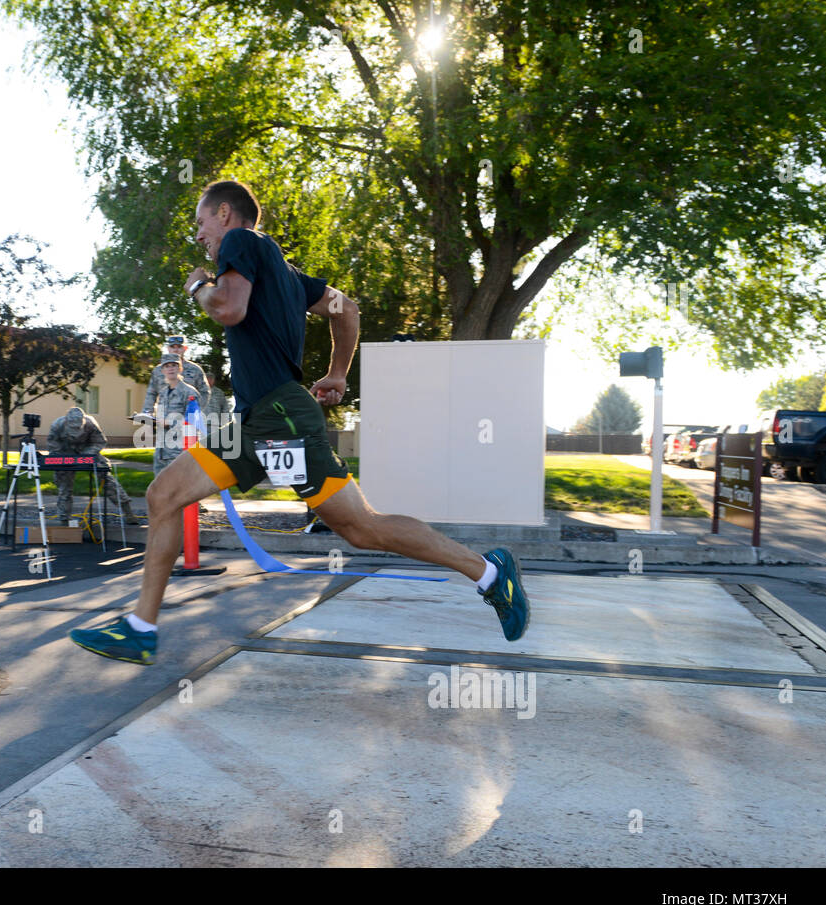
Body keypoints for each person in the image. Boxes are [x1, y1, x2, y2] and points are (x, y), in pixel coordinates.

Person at [71, 179, 530, 664]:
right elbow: (346, 309)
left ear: (225, 214)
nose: (200, 235)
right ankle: (141, 628)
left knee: (362, 528)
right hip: (255, 420)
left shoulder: (241, 243)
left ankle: (488, 573)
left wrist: (198, 285)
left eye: (202, 223)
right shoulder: (289, 277)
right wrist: (336, 374)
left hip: (280, 415)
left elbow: (228, 308)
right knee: (164, 494)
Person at [47, 406, 141, 527]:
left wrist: (87, 455)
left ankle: (128, 512)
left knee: (106, 478)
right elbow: (53, 446)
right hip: (65, 453)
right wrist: (63, 459)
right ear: (66, 422)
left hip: (88, 452)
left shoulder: (91, 424)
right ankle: (64, 519)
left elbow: (100, 442)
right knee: (64, 484)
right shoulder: (57, 426)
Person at [149, 354, 201, 476]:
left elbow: (194, 422)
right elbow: (161, 417)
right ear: (162, 371)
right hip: (161, 450)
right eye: (167, 366)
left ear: (180, 369)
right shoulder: (162, 393)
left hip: (179, 451)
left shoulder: (189, 392)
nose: (170, 368)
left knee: (180, 489)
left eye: (174, 365)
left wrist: (170, 422)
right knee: (160, 488)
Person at [139, 334, 209, 418]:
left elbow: (205, 392)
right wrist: (147, 412)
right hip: (163, 418)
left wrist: (193, 412)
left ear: (185, 348)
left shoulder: (195, 369)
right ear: (168, 348)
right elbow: (151, 393)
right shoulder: (158, 370)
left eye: (179, 347)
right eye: (172, 347)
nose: (176, 350)